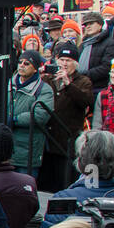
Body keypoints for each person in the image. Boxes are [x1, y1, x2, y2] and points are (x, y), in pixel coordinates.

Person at [44, 41, 95, 190]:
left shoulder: (83, 81)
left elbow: (87, 102)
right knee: (45, 185)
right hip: (47, 140)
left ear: (76, 63)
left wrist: (68, 85)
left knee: (64, 182)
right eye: (62, 60)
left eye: (69, 61)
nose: (64, 64)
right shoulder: (48, 78)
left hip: (68, 142)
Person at [7, 50, 54, 176]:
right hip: (7, 148)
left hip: (28, 150)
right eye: (20, 62)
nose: (22, 65)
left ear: (35, 69)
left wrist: (15, 119)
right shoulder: (8, 84)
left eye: (27, 63)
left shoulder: (44, 90)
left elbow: (41, 115)